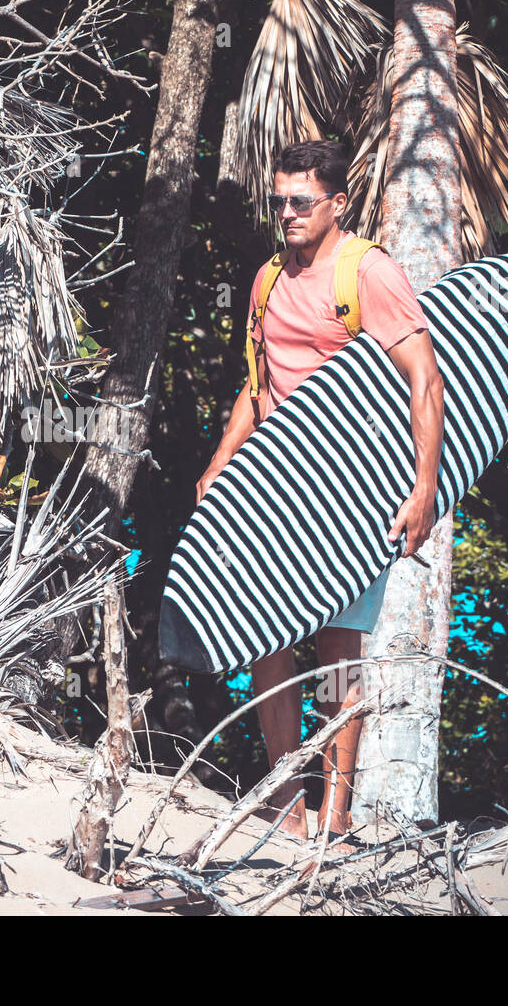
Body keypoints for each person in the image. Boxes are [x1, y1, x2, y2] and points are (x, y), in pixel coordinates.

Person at [194, 140, 445, 847]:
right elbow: (258, 382)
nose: (286, 213)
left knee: (338, 651)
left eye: (300, 201)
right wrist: (220, 462)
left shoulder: (368, 273)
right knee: (263, 638)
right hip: (275, 489)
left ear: (337, 204)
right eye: (278, 200)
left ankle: (336, 811)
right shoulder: (267, 277)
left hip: (349, 492)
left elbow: (425, 378)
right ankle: (284, 797)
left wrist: (423, 488)